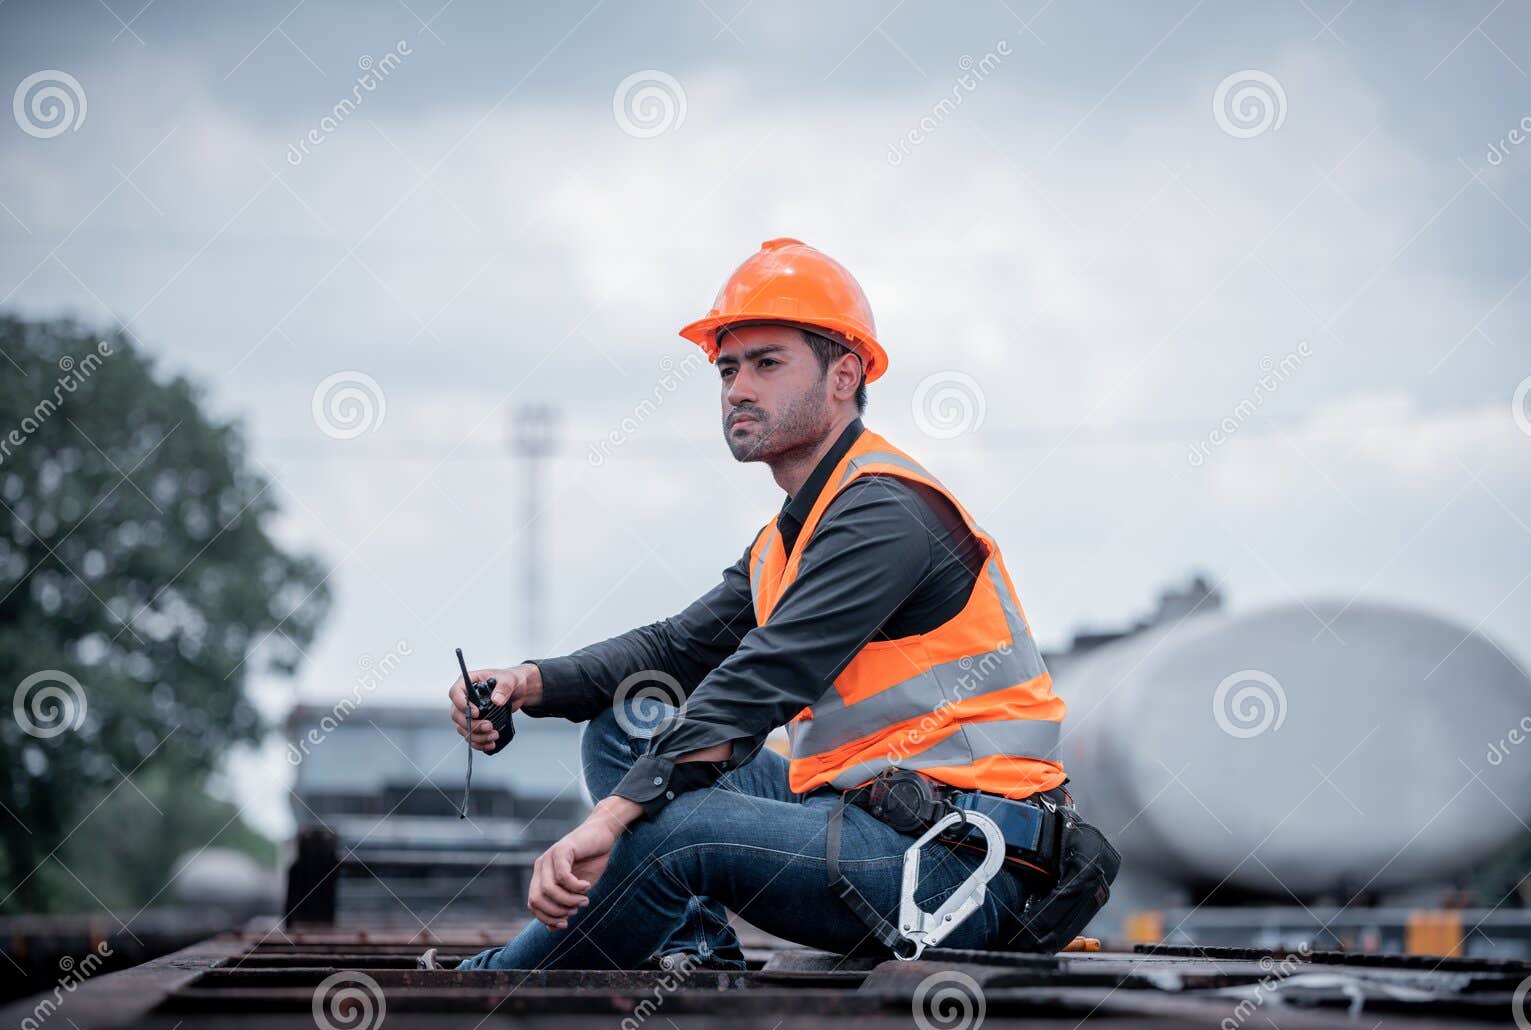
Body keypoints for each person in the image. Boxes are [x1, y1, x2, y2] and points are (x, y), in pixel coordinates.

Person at [435, 238, 1075, 972]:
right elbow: (676, 650)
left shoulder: (885, 515)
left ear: (846, 375)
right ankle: (697, 952)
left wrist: (612, 817)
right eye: (728, 368)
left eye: (767, 363)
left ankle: (488, 989)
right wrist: (528, 682)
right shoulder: (791, 534)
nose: (739, 387)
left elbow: (761, 681)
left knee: (674, 830)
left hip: (965, 867)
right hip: (872, 820)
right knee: (627, 726)